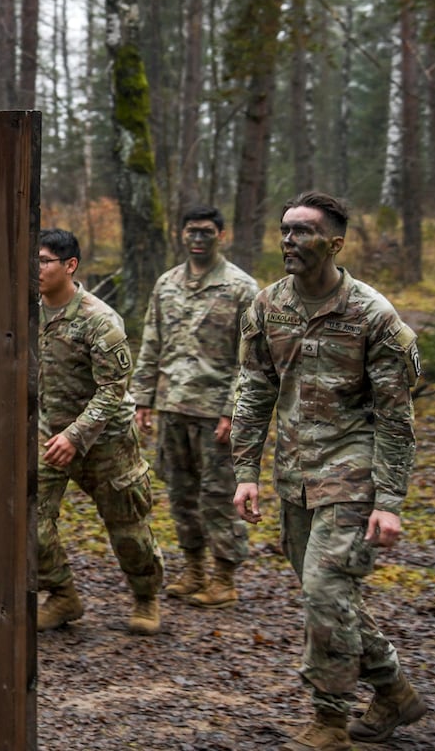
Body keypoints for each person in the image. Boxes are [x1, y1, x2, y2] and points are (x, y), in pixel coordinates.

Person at [232, 193, 425, 751]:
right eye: (285, 230)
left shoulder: (372, 316)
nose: (289, 241)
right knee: (330, 597)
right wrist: (246, 471)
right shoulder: (268, 306)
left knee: (322, 593)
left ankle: (329, 720)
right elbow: (254, 391)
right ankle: (393, 690)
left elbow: (395, 417)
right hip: (295, 472)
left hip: (353, 474)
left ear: (335, 243)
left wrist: (389, 501)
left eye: (303, 232)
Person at [36, 228, 164, 635]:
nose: (34, 269)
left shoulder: (99, 319)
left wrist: (76, 435)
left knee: (127, 527)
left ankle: (146, 596)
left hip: (105, 440)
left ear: (69, 265)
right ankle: (61, 594)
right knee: (27, 520)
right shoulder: (23, 312)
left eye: (42, 261)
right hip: (47, 435)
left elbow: (114, 390)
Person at [130, 206, 258, 609]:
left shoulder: (241, 288)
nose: (197, 239)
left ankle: (224, 577)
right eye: (191, 232)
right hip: (172, 405)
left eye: (206, 232)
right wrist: (143, 399)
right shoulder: (166, 284)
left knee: (217, 495)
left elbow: (250, 358)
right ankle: (194, 569)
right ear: (181, 235)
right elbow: (152, 343)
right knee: (181, 494)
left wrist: (230, 410)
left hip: (214, 409)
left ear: (222, 235)